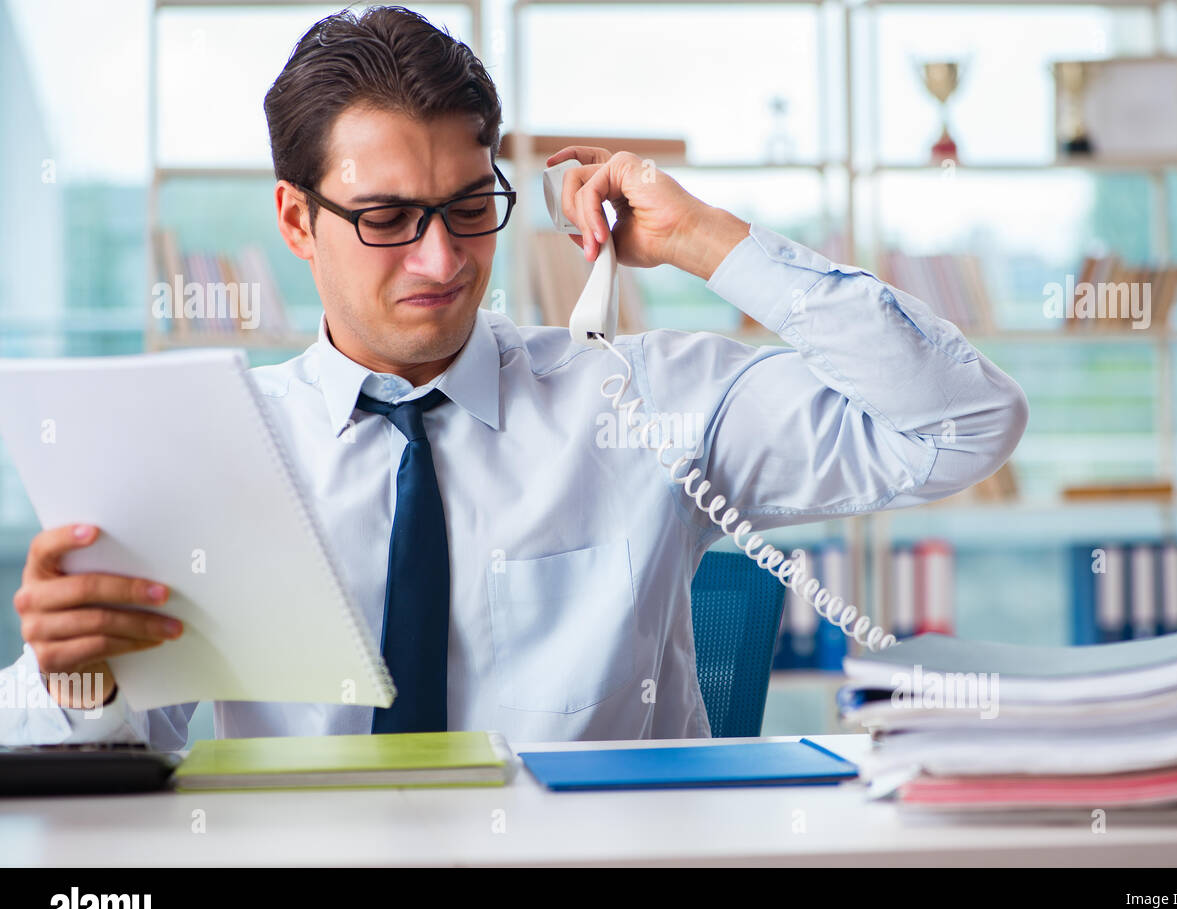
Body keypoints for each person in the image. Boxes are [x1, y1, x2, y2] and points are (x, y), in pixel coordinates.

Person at [1, 5, 1027, 749]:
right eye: (387, 219)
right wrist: (86, 686)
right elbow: (67, 751)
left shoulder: (639, 399)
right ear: (293, 221)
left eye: (465, 207)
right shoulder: (210, 444)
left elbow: (960, 426)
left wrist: (710, 240)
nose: (442, 261)